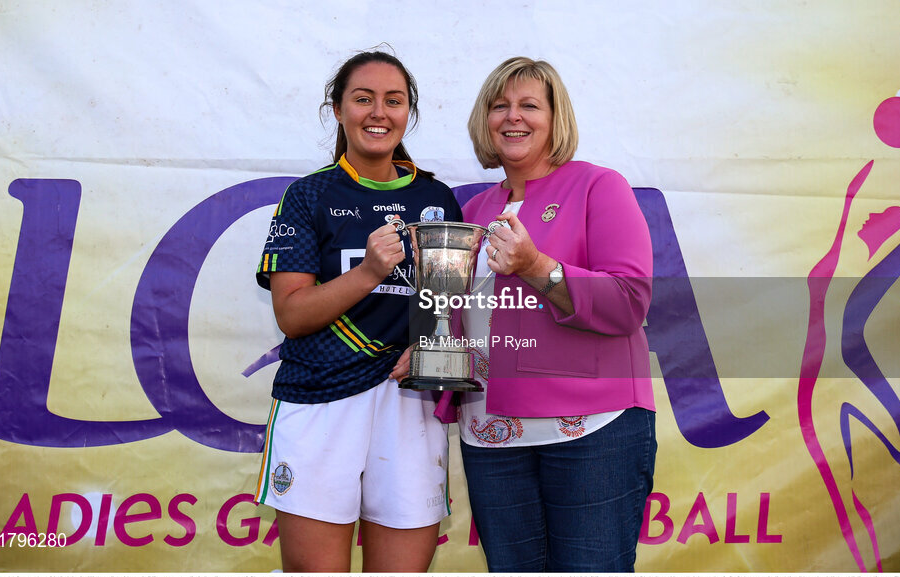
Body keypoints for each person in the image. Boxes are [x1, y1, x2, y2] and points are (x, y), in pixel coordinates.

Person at [393, 56, 656, 572]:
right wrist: (428, 350)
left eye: (529, 105)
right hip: (491, 437)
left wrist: (537, 266)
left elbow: (629, 301)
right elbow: (461, 318)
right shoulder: (473, 212)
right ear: (484, 121)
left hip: (591, 433)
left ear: (555, 119)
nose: (513, 117)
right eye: (500, 106)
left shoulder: (599, 186)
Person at [254, 49, 461, 573]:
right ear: (337, 109)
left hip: (408, 398)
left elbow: (446, 311)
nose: (378, 113)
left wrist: (431, 345)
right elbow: (292, 316)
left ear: (408, 113)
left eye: (394, 101)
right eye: (362, 98)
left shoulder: (438, 199)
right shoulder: (307, 196)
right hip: (320, 396)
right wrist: (368, 271)